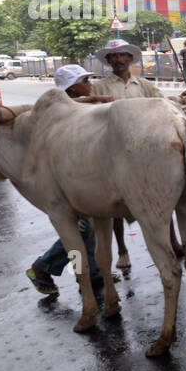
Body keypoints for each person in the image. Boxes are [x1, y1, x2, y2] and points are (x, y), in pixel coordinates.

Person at [87, 39, 180, 271]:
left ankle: (173, 242)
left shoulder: (144, 85)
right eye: (114, 57)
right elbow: (91, 114)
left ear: (130, 59)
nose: (119, 60)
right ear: (108, 61)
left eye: (122, 56)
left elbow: (163, 104)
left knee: (162, 197)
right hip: (114, 153)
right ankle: (122, 250)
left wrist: (181, 102)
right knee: (115, 205)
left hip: (147, 150)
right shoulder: (100, 88)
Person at [26, 65, 112, 295]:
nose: (90, 83)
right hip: (69, 180)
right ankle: (43, 266)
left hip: (88, 176)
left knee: (92, 225)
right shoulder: (57, 112)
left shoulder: (83, 106)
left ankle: (93, 273)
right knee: (82, 229)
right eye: (85, 80)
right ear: (73, 87)